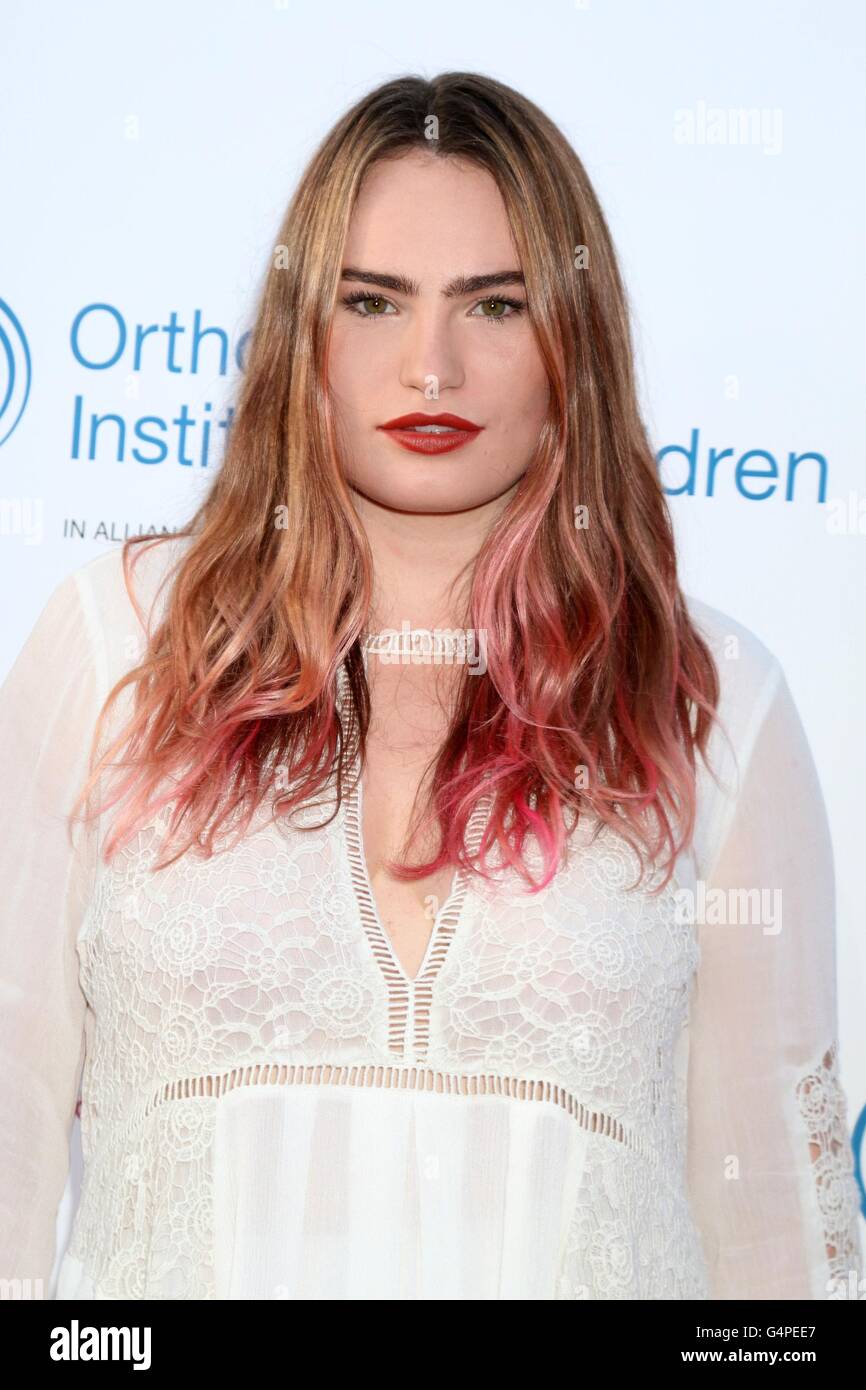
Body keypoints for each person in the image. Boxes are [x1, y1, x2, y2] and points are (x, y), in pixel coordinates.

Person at [0, 71, 862, 1301]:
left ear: (575, 336)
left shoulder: (708, 702)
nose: (432, 368)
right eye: (373, 302)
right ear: (303, 333)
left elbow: (777, 1238)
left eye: (494, 305)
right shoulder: (120, 645)